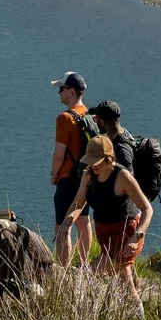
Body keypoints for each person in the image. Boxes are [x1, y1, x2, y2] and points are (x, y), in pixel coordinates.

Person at [65, 133, 152, 311]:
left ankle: (137, 319)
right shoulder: (88, 175)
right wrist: (66, 225)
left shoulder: (122, 177)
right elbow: (78, 203)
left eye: (96, 161)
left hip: (126, 233)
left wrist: (137, 236)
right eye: (90, 160)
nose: (92, 165)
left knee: (91, 274)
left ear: (108, 158)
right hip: (105, 237)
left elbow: (147, 209)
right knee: (124, 277)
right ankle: (134, 316)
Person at [50, 71, 97, 263]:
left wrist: (54, 174)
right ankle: (85, 265)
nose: (59, 93)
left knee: (62, 226)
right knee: (83, 220)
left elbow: (59, 153)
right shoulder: (89, 114)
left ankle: (63, 269)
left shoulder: (65, 119)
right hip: (85, 176)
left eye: (61, 89)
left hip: (68, 177)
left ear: (71, 91)